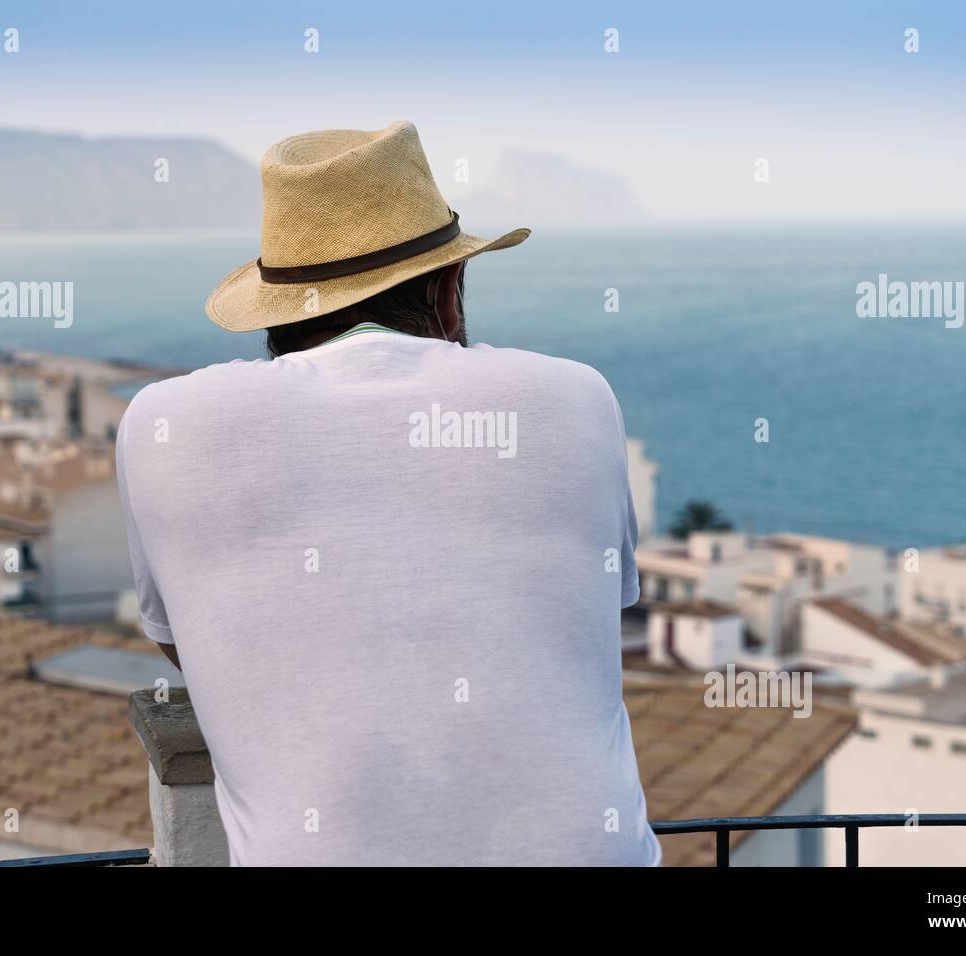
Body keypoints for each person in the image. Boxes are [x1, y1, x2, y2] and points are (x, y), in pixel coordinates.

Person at [117, 121, 661, 865]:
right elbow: (594, 608)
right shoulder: (575, 398)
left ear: (276, 309)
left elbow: (185, 640)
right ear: (447, 288)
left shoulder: (161, 424)